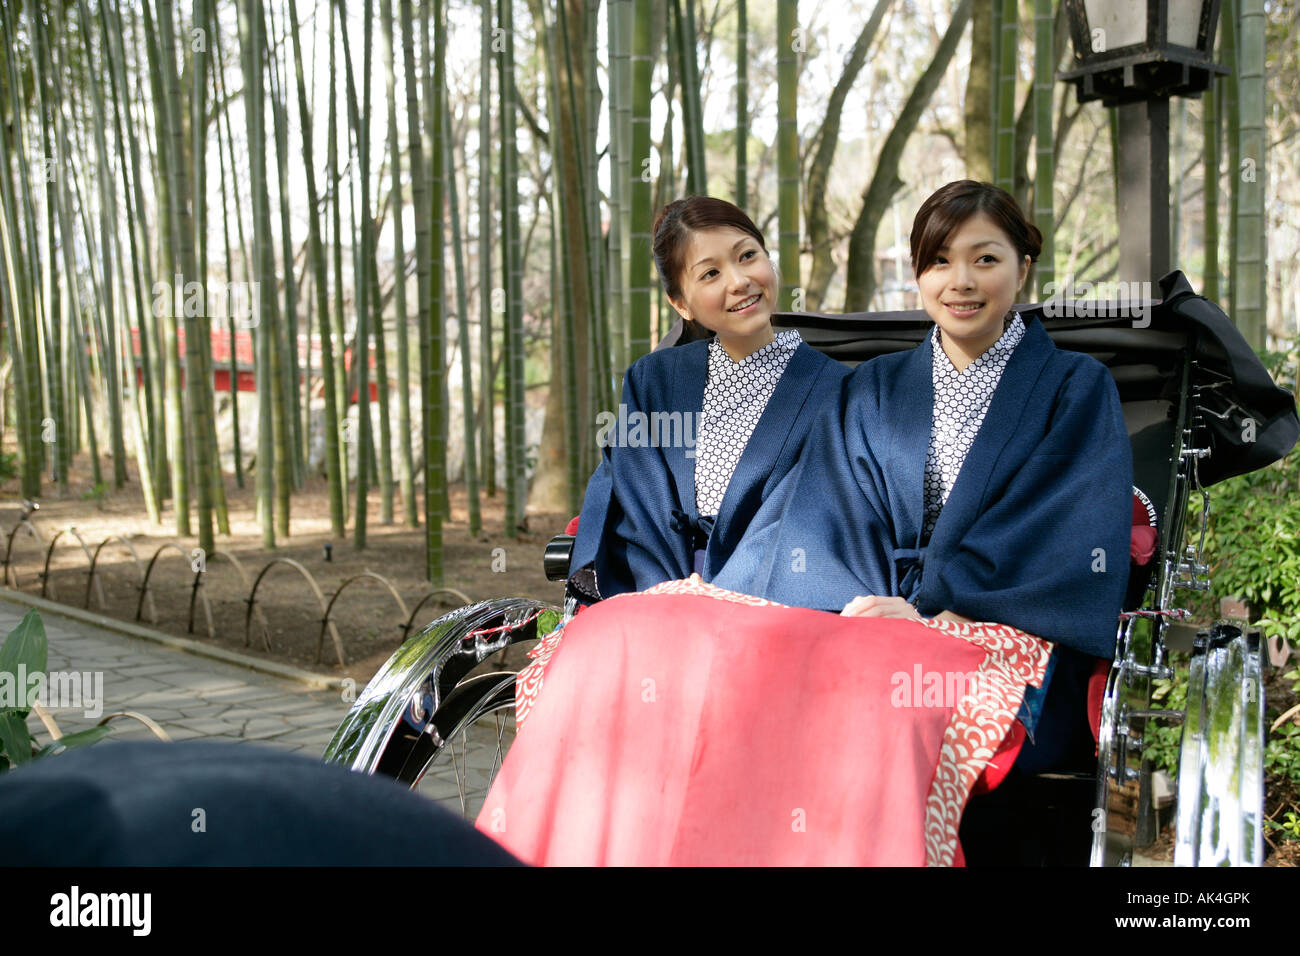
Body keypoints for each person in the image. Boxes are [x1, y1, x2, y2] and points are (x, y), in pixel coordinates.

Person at [713, 179, 1133, 773]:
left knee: (894, 716)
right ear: (919, 274)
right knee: (764, 696)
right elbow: (828, 516)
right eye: (939, 261)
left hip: (1011, 638)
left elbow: (1064, 533)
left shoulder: (1076, 387)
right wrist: (871, 611)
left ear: (1024, 269)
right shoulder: (873, 388)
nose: (960, 281)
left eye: (985, 259)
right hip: (874, 629)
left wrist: (937, 614)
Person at [567, 196, 848, 600]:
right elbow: (637, 506)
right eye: (711, 273)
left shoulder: (839, 389)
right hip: (662, 597)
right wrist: (667, 592)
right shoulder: (653, 381)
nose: (739, 281)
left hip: (780, 598)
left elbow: (819, 514)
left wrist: (726, 594)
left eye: (748, 256)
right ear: (681, 303)